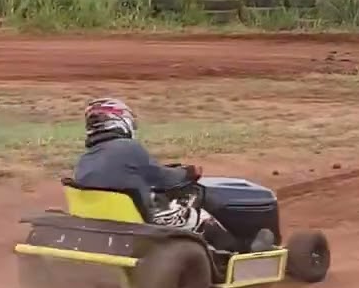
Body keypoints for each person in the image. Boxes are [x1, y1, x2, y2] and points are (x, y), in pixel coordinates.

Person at [73, 97, 275, 254]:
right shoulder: (129, 148)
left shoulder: (85, 159)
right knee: (201, 218)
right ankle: (240, 250)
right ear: (120, 121)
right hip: (141, 221)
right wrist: (187, 173)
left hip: (104, 223)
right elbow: (164, 179)